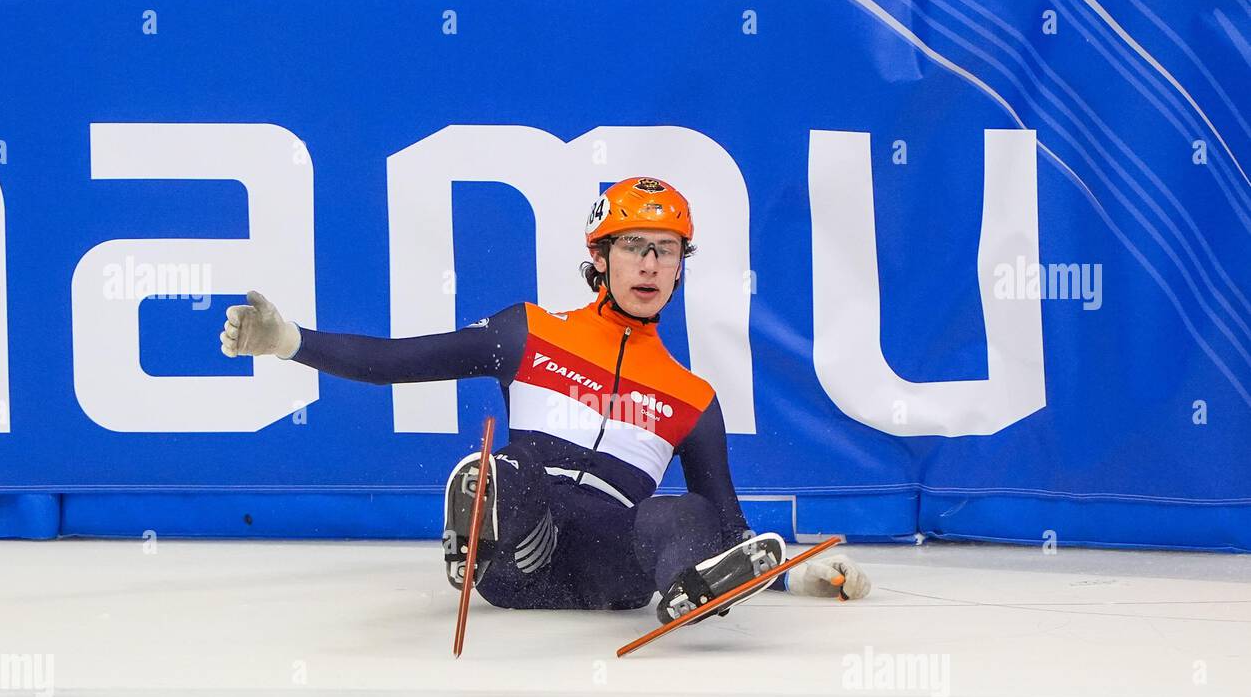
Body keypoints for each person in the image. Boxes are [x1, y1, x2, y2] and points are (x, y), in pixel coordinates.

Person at [221, 176, 870, 622]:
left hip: (613, 576)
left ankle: (693, 592)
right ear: (601, 258)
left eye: (665, 251)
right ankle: (479, 532)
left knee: (681, 513)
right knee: (514, 469)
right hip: (522, 559)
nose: (649, 264)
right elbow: (398, 362)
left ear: (680, 267)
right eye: (634, 248)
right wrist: (290, 340)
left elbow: (729, 525)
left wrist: (795, 572)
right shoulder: (528, 331)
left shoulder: (691, 396)